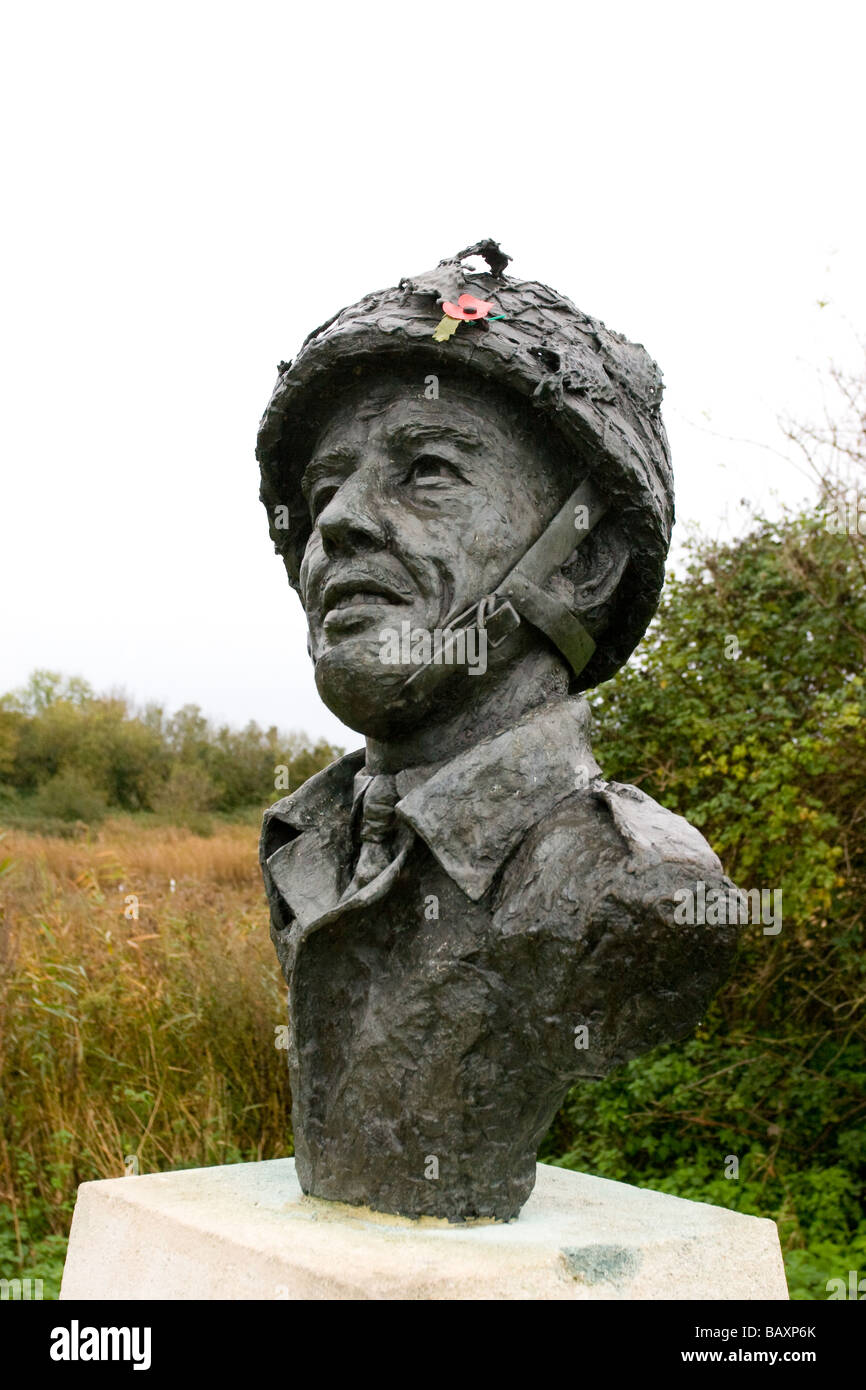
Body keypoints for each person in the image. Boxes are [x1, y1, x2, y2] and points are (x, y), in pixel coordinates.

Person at [257, 241, 737, 1221]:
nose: (337, 524)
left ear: (587, 559)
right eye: (319, 495)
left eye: (425, 470)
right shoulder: (300, 847)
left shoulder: (639, 886)